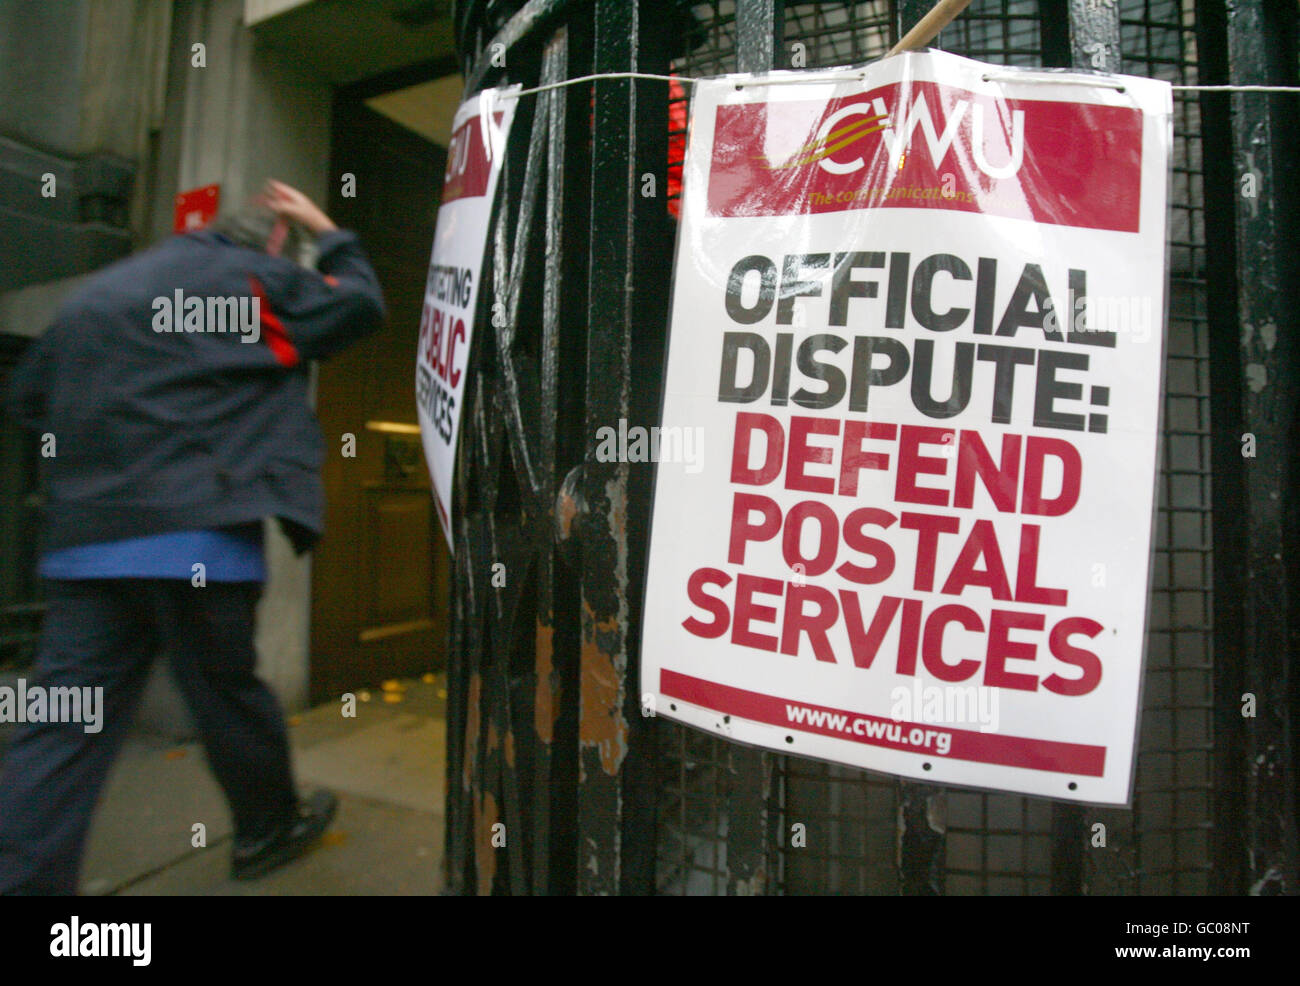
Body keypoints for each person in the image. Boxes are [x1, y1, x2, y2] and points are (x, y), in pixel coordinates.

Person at [0, 179, 385, 894]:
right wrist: (326, 231)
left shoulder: (95, 298)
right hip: (196, 543)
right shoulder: (258, 281)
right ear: (274, 241)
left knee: (60, 729)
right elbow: (357, 304)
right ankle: (268, 828)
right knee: (227, 698)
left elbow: (27, 398)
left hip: (84, 547)